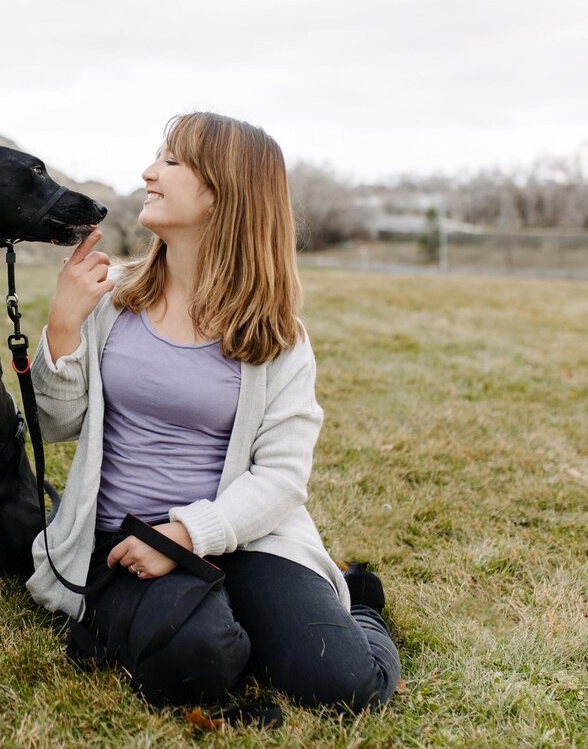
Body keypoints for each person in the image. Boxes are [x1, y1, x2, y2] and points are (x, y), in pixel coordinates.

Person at [25, 112, 401, 718]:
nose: (149, 172)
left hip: (242, 535)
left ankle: (359, 602)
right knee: (198, 655)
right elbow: (52, 426)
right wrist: (63, 326)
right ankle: (226, 619)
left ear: (223, 192)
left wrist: (188, 536)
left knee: (345, 685)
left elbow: (281, 478)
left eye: (171, 161)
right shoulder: (112, 301)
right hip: (129, 543)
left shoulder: (279, 337)